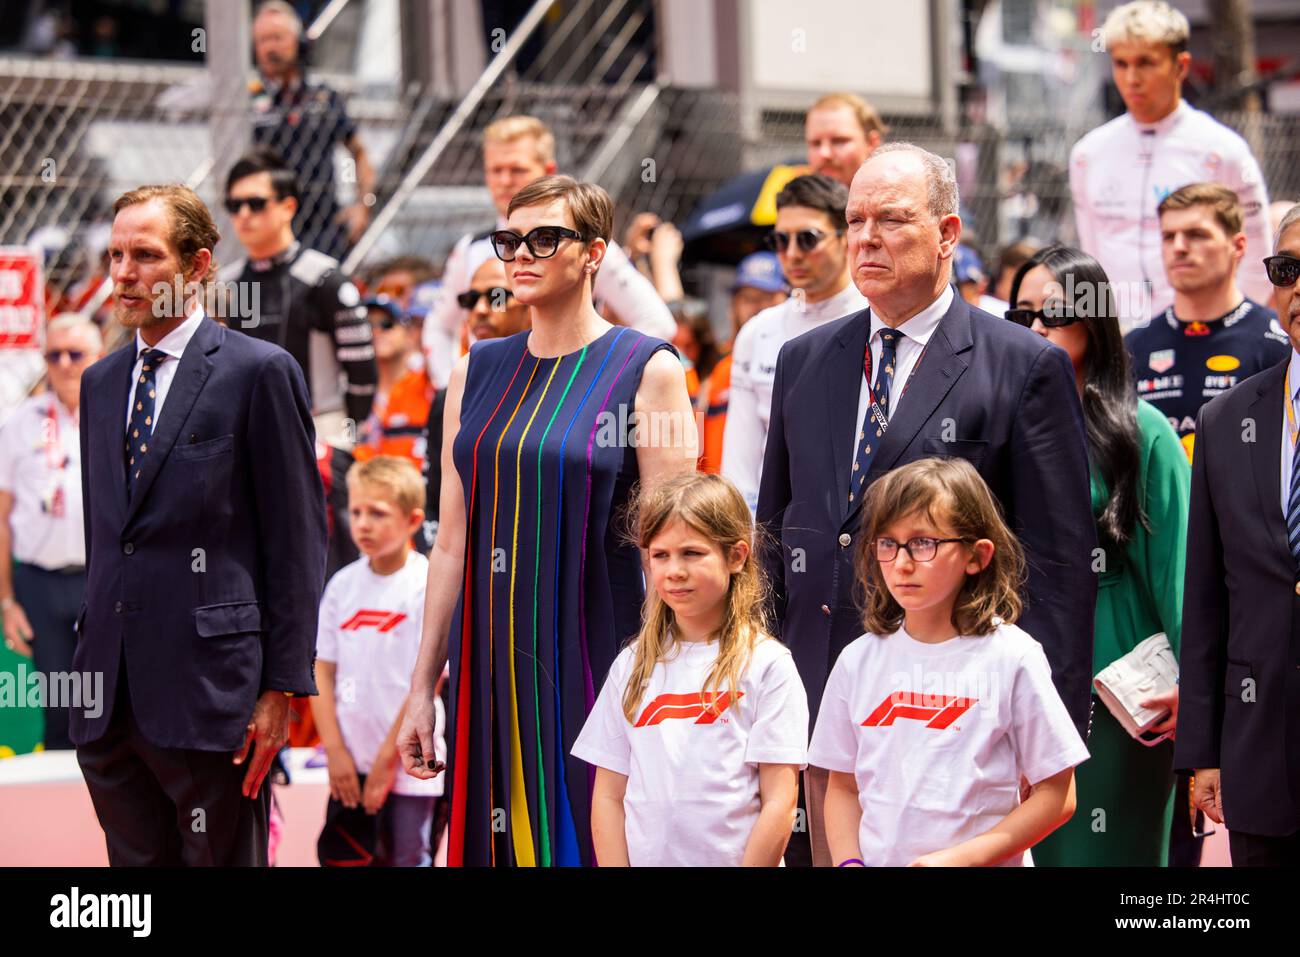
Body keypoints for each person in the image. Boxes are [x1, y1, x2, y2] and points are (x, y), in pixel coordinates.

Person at [756, 143, 1096, 866]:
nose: (866, 238)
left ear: (947, 234)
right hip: (817, 696)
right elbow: (776, 532)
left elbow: (1061, 565)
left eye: (892, 219)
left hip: (957, 716)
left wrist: (1045, 741)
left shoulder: (1024, 364)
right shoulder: (804, 359)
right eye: (854, 221)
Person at [397, 176, 696, 867]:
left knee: (591, 842)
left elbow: (675, 549)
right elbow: (449, 544)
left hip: (598, 656)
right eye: (509, 240)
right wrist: (422, 686)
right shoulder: (474, 371)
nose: (520, 254)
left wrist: (668, 685)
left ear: (594, 252)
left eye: (544, 238)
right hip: (487, 665)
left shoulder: (646, 367)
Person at [73, 184, 326, 866]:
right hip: (109, 700)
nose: (123, 273)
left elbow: (298, 541)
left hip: (216, 700)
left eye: (146, 255)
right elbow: (110, 538)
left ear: (198, 265)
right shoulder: (99, 383)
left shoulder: (258, 372)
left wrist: (280, 687)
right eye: (116, 255)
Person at [810, 457, 1087, 867]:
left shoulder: (1013, 656)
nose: (902, 563)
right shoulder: (856, 661)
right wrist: (850, 863)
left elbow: (1058, 796)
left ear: (977, 556)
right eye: (888, 543)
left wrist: (961, 859)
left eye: (924, 543)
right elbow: (843, 787)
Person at [1008, 246, 1189, 866]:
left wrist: (1197, 687)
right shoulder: (998, 426)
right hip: (1014, 659)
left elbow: (1179, 572)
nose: (1035, 328)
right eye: (1020, 314)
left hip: (1117, 675)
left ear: (1096, 319)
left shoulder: (1142, 432)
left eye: (1052, 312)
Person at [572, 472, 807, 865]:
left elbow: (780, 804)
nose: (674, 570)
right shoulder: (630, 666)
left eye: (692, 553)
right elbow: (609, 796)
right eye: (660, 555)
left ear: (736, 556)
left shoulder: (768, 665)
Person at [1174, 205, 1300, 866]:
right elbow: (1206, 601)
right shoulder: (1226, 419)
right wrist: (1203, 752)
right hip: (1260, 756)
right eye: (1288, 269)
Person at [421, 116, 674, 390]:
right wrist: (452, 387)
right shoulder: (470, 249)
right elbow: (439, 325)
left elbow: (656, 321)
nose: (505, 181)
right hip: (490, 400)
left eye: (517, 170)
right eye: (496, 170)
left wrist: (597, 383)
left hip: (565, 402)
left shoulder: (581, 244)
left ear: (548, 170)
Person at [1070, 1, 1273, 328]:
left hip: (1204, 333)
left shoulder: (1223, 149)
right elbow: (1091, 257)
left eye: (1146, 63)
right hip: (1119, 339)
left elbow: (1257, 258)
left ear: (1180, 65)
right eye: (1121, 64)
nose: (1132, 78)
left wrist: (1232, 329)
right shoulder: (1088, 154)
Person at [312, 457, 443, 867]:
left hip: (408, 765)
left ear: (413, 519)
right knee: (347, 858)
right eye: (355, 512)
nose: (362, 524)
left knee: (407, 856)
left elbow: (429, 679)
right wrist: (335, 751)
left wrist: (388, 762)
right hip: (350, 762)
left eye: (378, 513)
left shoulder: (427, 585)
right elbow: (322, 669)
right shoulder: (340, 585)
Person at [722, 174, 868, 510]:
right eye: (779, 240)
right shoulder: (758, 332)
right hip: (777, 527)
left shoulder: (879, 320)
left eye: (807, 239)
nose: (791, 254)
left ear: (845, 238)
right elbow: (740, 466)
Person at [219, 147, 378, 444]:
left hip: (319, 435)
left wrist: (343, 440)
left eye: (256, 204)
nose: (243, 215)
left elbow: (363, 374)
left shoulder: (324, 278)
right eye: (234, 205)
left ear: (288, 207)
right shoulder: (226, 285)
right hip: (247, 435)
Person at [1126, 183, 1289, 461]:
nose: (1179, 247)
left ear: (1238, 246)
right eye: (1168, 236)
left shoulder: (1279, 342)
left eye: (1196, 235)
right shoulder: (1132, 347)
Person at [0, 315, 103, 749]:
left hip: (102, 582)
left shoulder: (119, 414)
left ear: (98, 358)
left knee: (108, 706)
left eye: (75, 354)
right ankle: (67, 814)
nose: (63, 364)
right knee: (62, 712)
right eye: (53, 355)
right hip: (40, 585)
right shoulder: (22, 420)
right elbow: (2, 517)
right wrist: (7, 602)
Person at [249, 0, 376, 261]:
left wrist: (363, 204)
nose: (270, 48)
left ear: (299, 42)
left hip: (323, 228)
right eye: (262, 41)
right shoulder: (247, 100)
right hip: (270, 225)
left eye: (277, 38)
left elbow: (360, 154)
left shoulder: (323, 98)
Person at [353, 296, 433, 471]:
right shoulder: (353, 390)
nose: (376, 332)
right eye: (367, 326)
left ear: (408, 332)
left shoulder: (428, 380)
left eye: (386, 324)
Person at [804, 91, 886, 188]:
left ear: (872, 143)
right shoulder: (789, 197)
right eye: (815, 143)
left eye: (839, 141)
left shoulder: (899, 198)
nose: (825, 153)